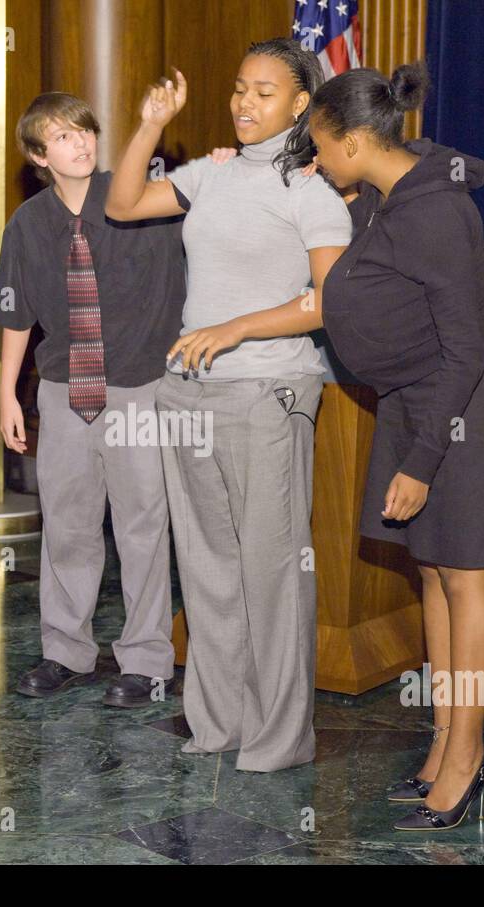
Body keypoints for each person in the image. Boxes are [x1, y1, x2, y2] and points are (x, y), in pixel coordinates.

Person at [309, 63, 484, 829]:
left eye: (322, 148)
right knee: (433, 571)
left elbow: (464, 349)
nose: (318, 162)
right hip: (413, 400)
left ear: (356, 142)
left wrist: (423, 462)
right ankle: (447, 734)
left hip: (466, 406)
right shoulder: (394, 188)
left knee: (468, 578)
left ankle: (466, 755)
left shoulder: (436, 213)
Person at [106, 38, 352, 771]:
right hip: (190, 391)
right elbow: (122, 205)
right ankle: (217, 722)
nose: (245, 102)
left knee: (272, 570)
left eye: (265, 91)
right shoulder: (211, 174)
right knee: (208, 567)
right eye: (240, 88)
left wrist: (237, 326)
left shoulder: (312, 192)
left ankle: (278, 739)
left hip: (269, 391)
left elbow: (325, 302)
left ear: (301, 102)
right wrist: (151, 123)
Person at [0, 93, 186, 707]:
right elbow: (17, 317)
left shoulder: (137, 200)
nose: (79, 143)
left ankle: (149, 661)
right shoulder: (27, 222)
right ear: (37, 154)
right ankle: (64, 651)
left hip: (136, 389)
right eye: (62, 136)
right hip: (62, 390)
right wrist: (7, 397)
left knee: (142, 526)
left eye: (85, 131)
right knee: (68, 525)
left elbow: (205, 201)